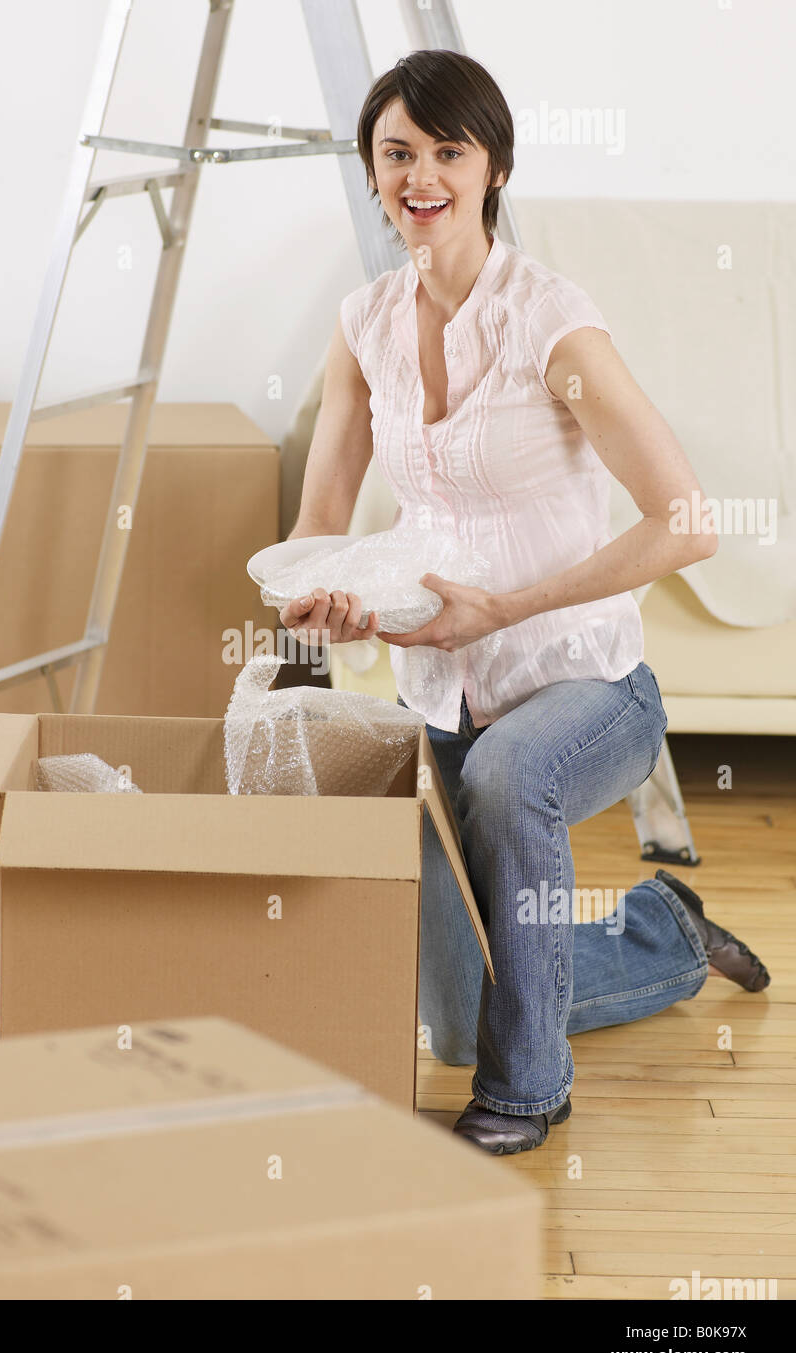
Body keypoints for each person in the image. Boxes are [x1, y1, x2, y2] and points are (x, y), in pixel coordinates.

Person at [280, 50, 770, 1156]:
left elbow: (683, 521)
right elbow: (320, 519)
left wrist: (498, 609)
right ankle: (662, 934)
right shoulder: (361, 328)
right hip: (441, 697)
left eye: (446, 151)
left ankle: (532, 1091)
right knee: (459, 1020)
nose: (420, 175)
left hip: (584, 689)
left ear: (490, 166)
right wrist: (329, 597)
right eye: (396, 151)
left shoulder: (549, 323)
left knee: (509, 781)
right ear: (370, 169)